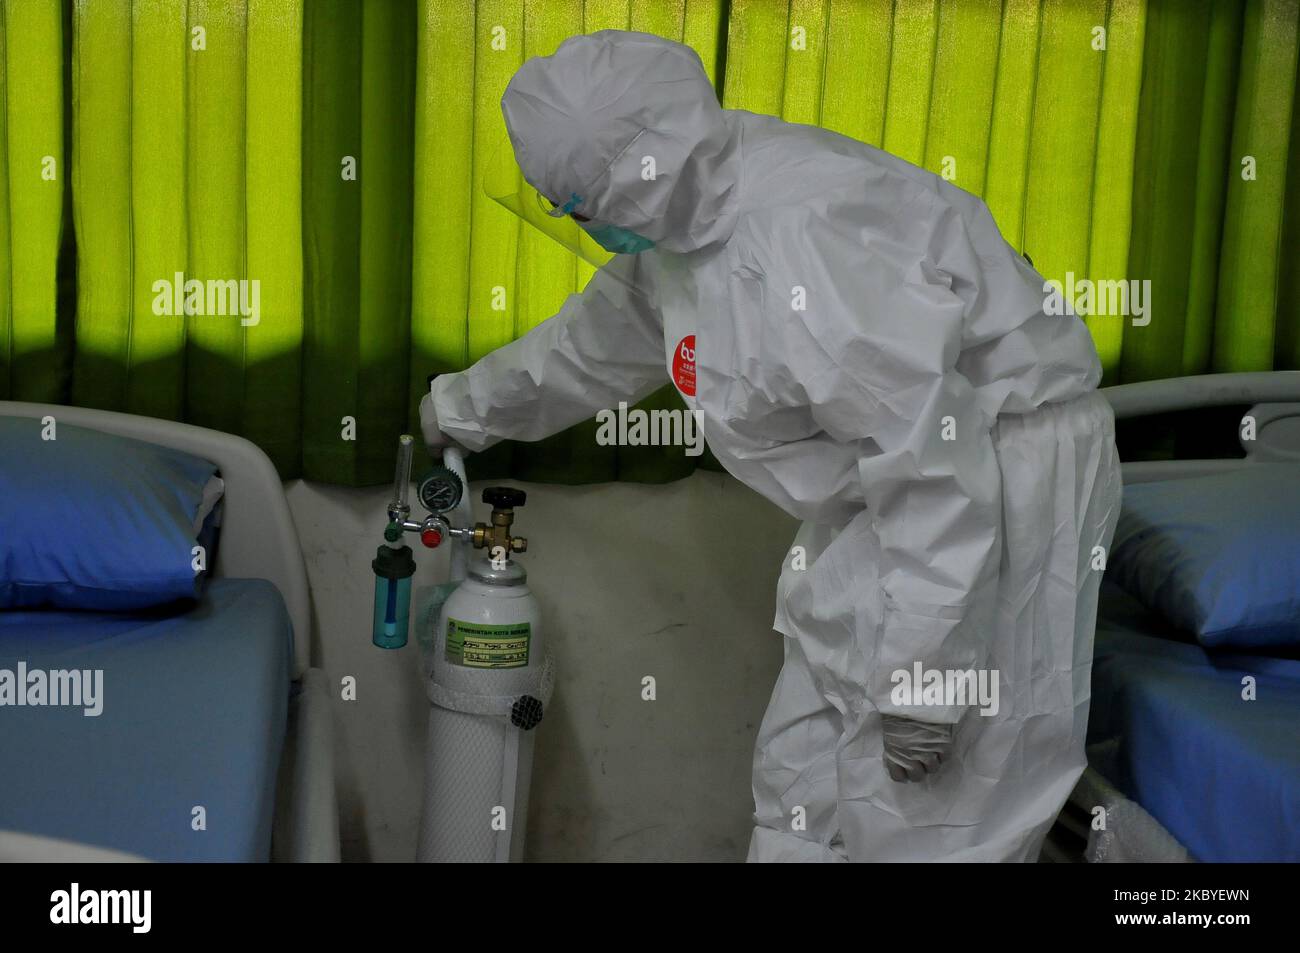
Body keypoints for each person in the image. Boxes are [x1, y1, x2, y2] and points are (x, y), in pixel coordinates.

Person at [420, 30, 1122, 862]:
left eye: (578, 204)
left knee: (931, 817)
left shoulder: (802, 245)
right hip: (888, 493)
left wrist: (926, 675)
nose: (577, 222)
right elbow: (590, 346)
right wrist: (460, 407)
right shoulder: (684, 219)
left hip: (997, 485)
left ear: (634, 179)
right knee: (805, 777)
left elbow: (934, 459)